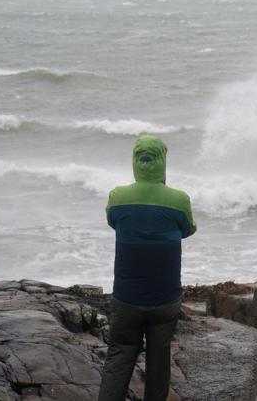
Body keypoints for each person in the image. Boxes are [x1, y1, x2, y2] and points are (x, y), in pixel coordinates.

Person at [98, 135, 196, 401]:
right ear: (162, 161)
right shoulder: (179, 200)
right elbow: (188, 229)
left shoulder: (118, 197)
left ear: (135, 161)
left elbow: (113, 221)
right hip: (164, 300)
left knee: (119, 356)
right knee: (159, 361)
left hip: (126, 299)